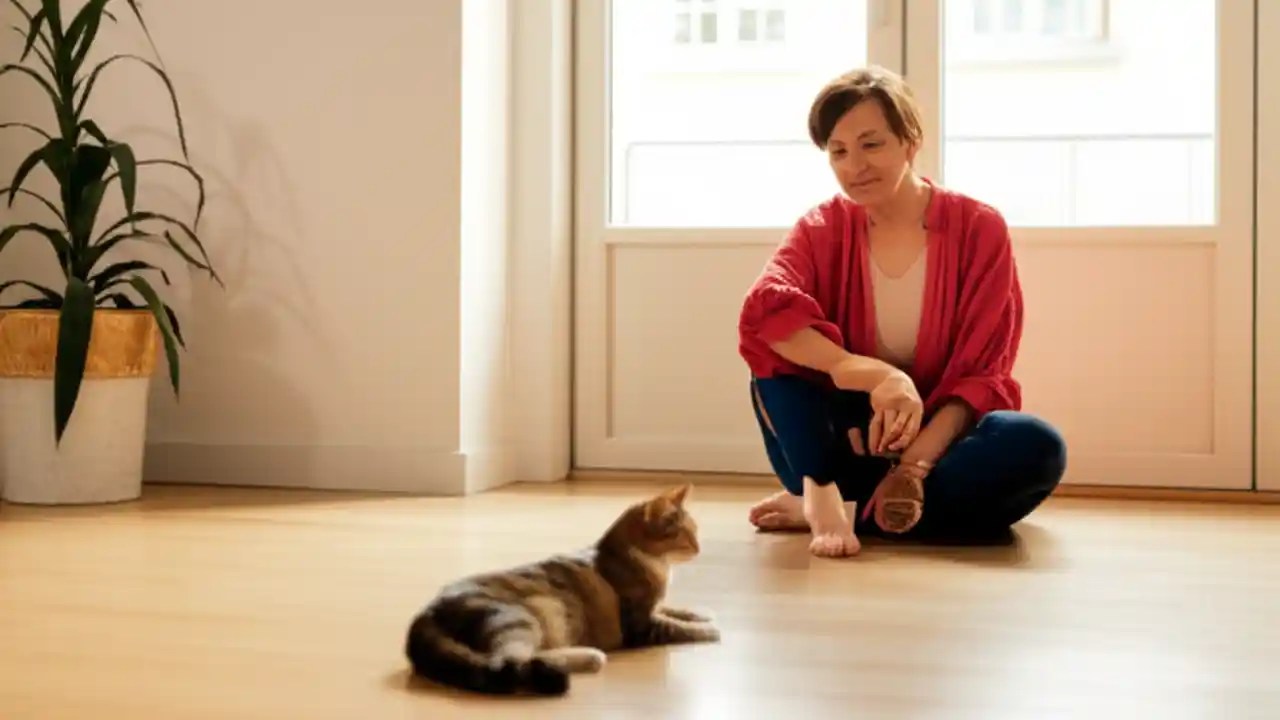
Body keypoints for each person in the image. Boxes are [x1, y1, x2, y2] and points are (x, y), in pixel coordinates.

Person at [737, 66, 1067, 558]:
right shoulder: (821, 228)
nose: (855, 166)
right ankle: (829, 495)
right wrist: (870, 374)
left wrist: (912, 469)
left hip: (938, 446)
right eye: (838, 151)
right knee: (780, 365)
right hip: (845, 445)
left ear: (910, 142)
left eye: (872, 145)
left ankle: (847, 511)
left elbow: (984, 373)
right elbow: (766, 312)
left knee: (1035, 444)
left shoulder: (980, 229)